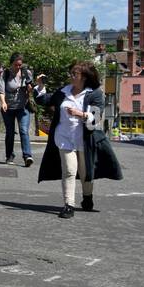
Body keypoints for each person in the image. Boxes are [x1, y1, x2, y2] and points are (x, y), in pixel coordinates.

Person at [34, 62, 121, 218]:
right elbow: (45, 100)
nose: (71, 76)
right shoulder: (63, 92)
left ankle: (87, 197)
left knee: (85, 172)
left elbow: (96, 118)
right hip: (64, 137)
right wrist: (40, 86)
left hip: (84, 139)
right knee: (69, 171)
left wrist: (79, 114)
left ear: (84, 77)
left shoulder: (94, 94)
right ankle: (69, 205)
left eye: (75, 74)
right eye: (71, 73)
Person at [0, 52, 34, 166]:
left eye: (20, 65)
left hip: (23, 107)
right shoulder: (5, 74)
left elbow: (31, 89)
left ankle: (27, 156)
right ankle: (9, 156)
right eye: (16, 65)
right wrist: (3, 102)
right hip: (8, 107)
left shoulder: (26, 73)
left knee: (23, 131)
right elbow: (1, 90)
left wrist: (30, 88)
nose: (18, 67)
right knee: (10, 132)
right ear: (11, 64)